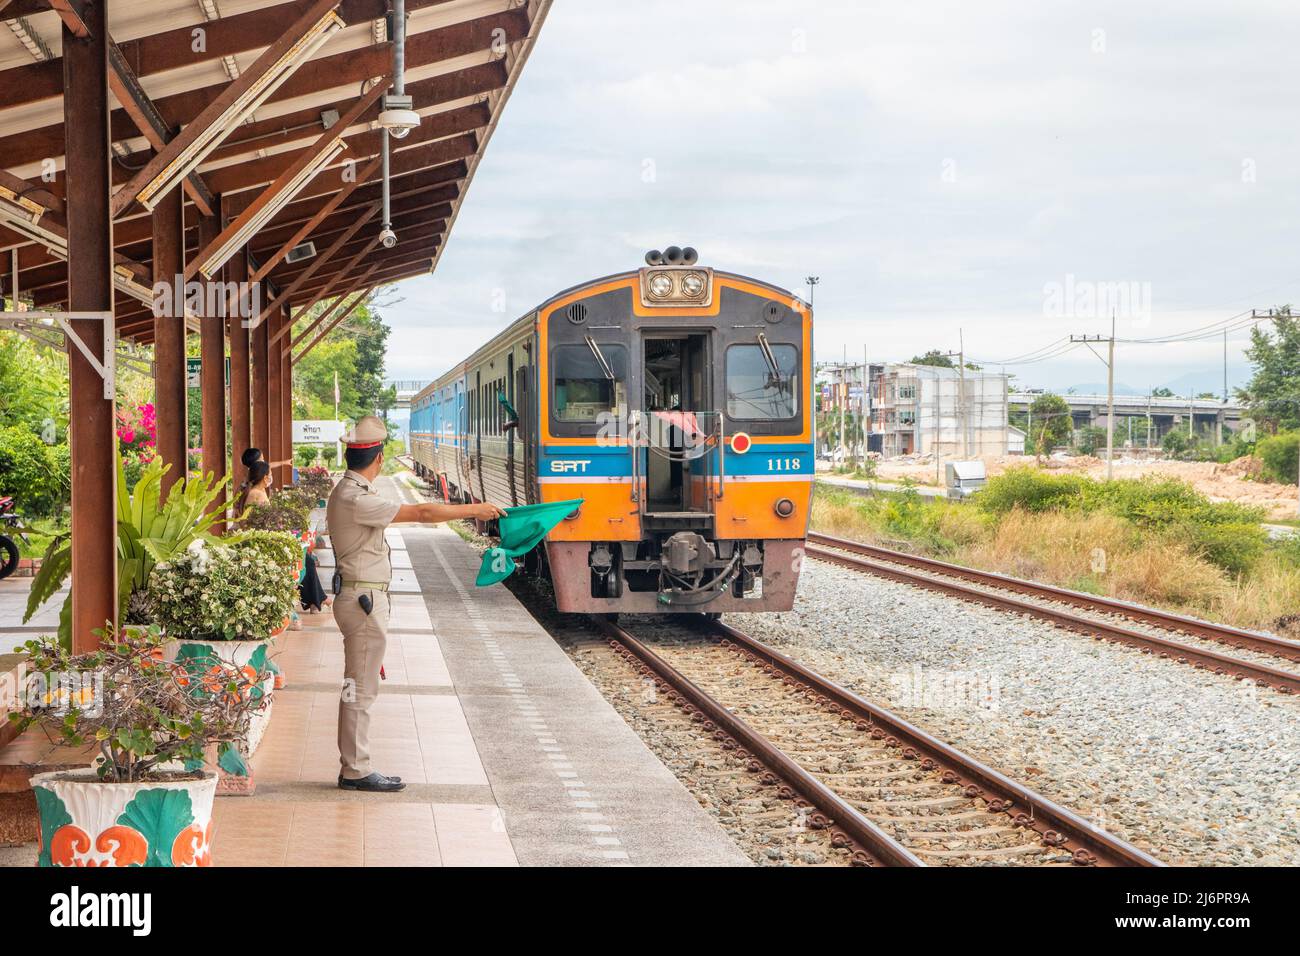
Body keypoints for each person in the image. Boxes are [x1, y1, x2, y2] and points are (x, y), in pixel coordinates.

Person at [328, 415, 502, 792]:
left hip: (362, 600)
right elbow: (422, 513)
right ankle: (355, 770)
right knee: (359, 687)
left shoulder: (349, 492)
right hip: (363, 602)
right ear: (379, 458)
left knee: (357, 683)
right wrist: (475, 510)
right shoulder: (356, 497)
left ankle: (354, 764)